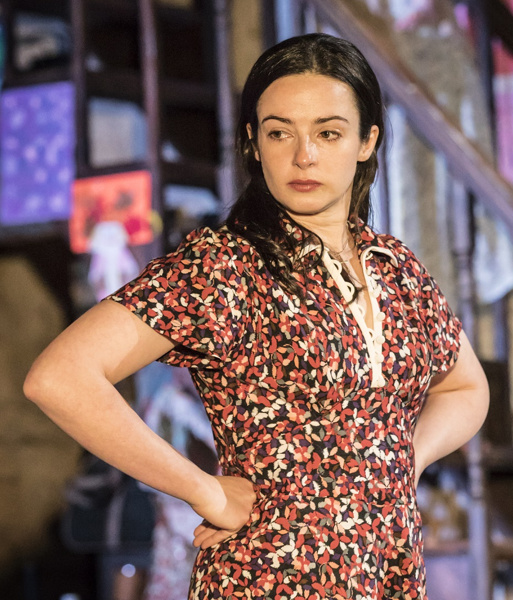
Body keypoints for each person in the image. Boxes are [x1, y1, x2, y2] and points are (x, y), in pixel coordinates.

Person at [25, 33, 489, 599]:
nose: (304, 155)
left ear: (367, 141)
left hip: (386, 570)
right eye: (279, 132)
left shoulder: (397, 269)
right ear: (253, 142)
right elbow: (60, 378)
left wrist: (402, 460)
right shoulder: (225, 267)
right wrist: (203, 490)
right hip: (269, 573)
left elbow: (466, 388)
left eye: (328, 132)